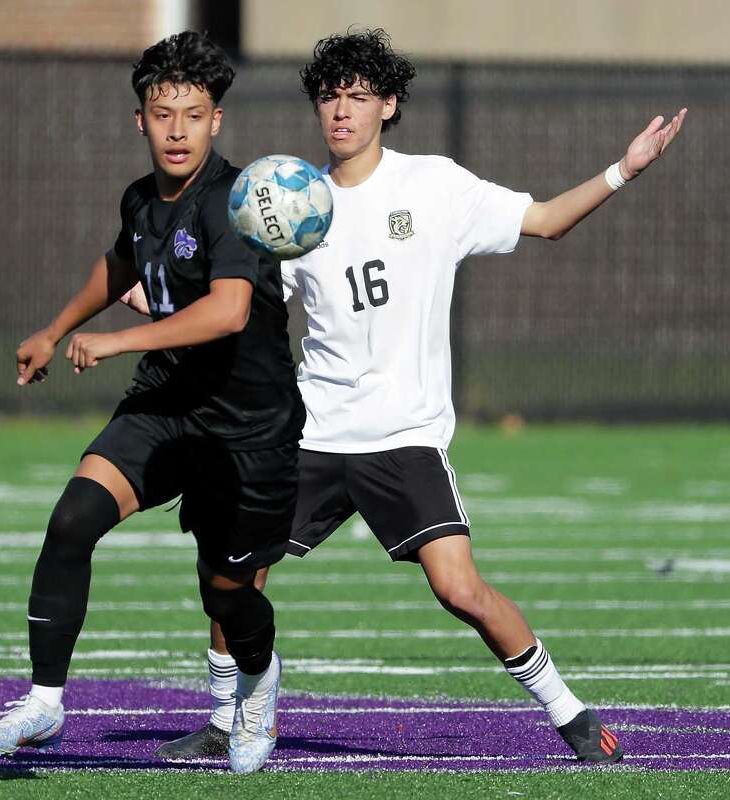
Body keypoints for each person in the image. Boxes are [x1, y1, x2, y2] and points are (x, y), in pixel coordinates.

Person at [147, 28, 685, 764]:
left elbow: (548, 221)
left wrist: (624, 170)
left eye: (359, 97)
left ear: (389, 105)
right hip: (312, 430)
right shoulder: (286, 203)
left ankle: (573, 718)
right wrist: (157, 310)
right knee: (233, 571)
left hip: (403, 435)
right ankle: (222, 722)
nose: (342, 111)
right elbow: (240, 309)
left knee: (460, 589)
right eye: (330, 97)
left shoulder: (434, 186)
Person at [0, 30, 305, 775]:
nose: (176, 130)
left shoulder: (234, 202)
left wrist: (118, 342)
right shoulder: (142, 199)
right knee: (72, 518)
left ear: (217, 120)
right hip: (170, 403)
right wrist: (56, 330)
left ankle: (258, 680)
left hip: (250, 429)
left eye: (192, 114)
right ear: (140, 121)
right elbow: (120, 259)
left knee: (229, 596)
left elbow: (229, 313)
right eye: (162, 114)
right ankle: (44, 702)